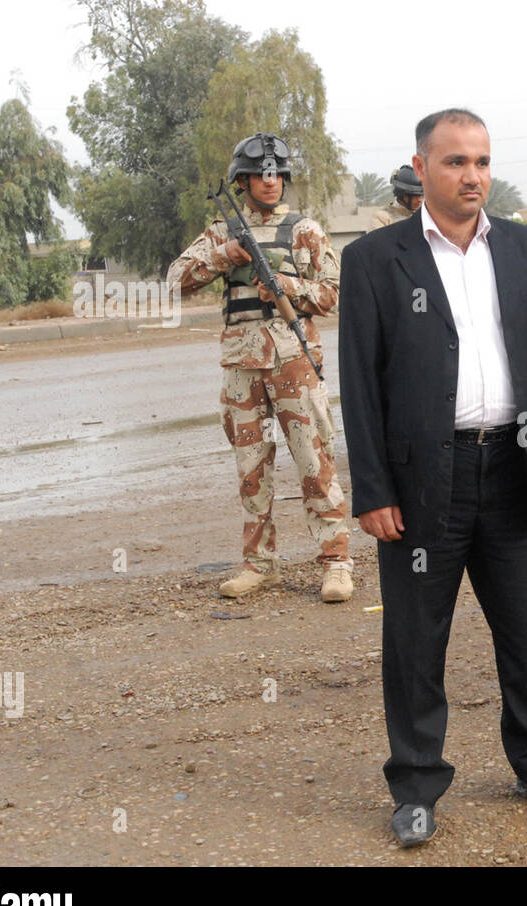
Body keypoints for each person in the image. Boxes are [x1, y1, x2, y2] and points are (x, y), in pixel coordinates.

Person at [338, 108, 527, 847]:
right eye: (456, 161)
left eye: (482, 161)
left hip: (513, 469)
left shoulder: (521, 248)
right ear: (421, 168)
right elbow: (358, 383)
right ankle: (415, 787)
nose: (472, 176)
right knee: (415, 643)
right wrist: (373, 489)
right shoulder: (374, 260)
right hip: (423, 483)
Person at [167, 132, 354, 603]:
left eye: (276, 174)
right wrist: (223, 256)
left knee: (315, 462)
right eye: (260, 175)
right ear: (243, 181)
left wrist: (289, 287)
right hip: (242, 367)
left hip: (295, 361)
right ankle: (259, 564)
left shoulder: (305, 230)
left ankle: (336, 562)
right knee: (251, 469)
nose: (270, 182)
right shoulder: (222, 231)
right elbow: (174, 280)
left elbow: (334, 294)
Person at [368, 164, 423, 229]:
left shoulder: (423, 217)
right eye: (415, 196)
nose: (420, 200)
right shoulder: (382, 218)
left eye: (422, 195)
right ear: (402, 195)